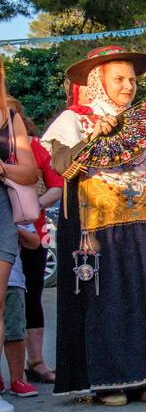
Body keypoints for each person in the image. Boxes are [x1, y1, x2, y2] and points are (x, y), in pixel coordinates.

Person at [43, 44, 146, 405]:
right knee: (107, 299)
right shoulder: (74, 119)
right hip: (97, 225)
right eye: (118, 78)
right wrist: (94, 137)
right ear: (97, 80)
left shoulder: (143, 124)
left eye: (132, 80)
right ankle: (108, 380)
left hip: (145, 224)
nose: (128, 86)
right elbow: (61, 166)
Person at [3, 100, 58, 384]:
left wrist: (33, 204)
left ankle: (35, 361)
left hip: (33, 231)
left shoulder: (33, 146)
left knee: (32, 295)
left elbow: (57, 185)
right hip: (6, 227)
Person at [2, 223, 40, 404]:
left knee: (15, 331)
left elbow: (34, 242)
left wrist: (13, 229)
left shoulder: (13, 208)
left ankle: (17, 379)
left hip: (12, 280)